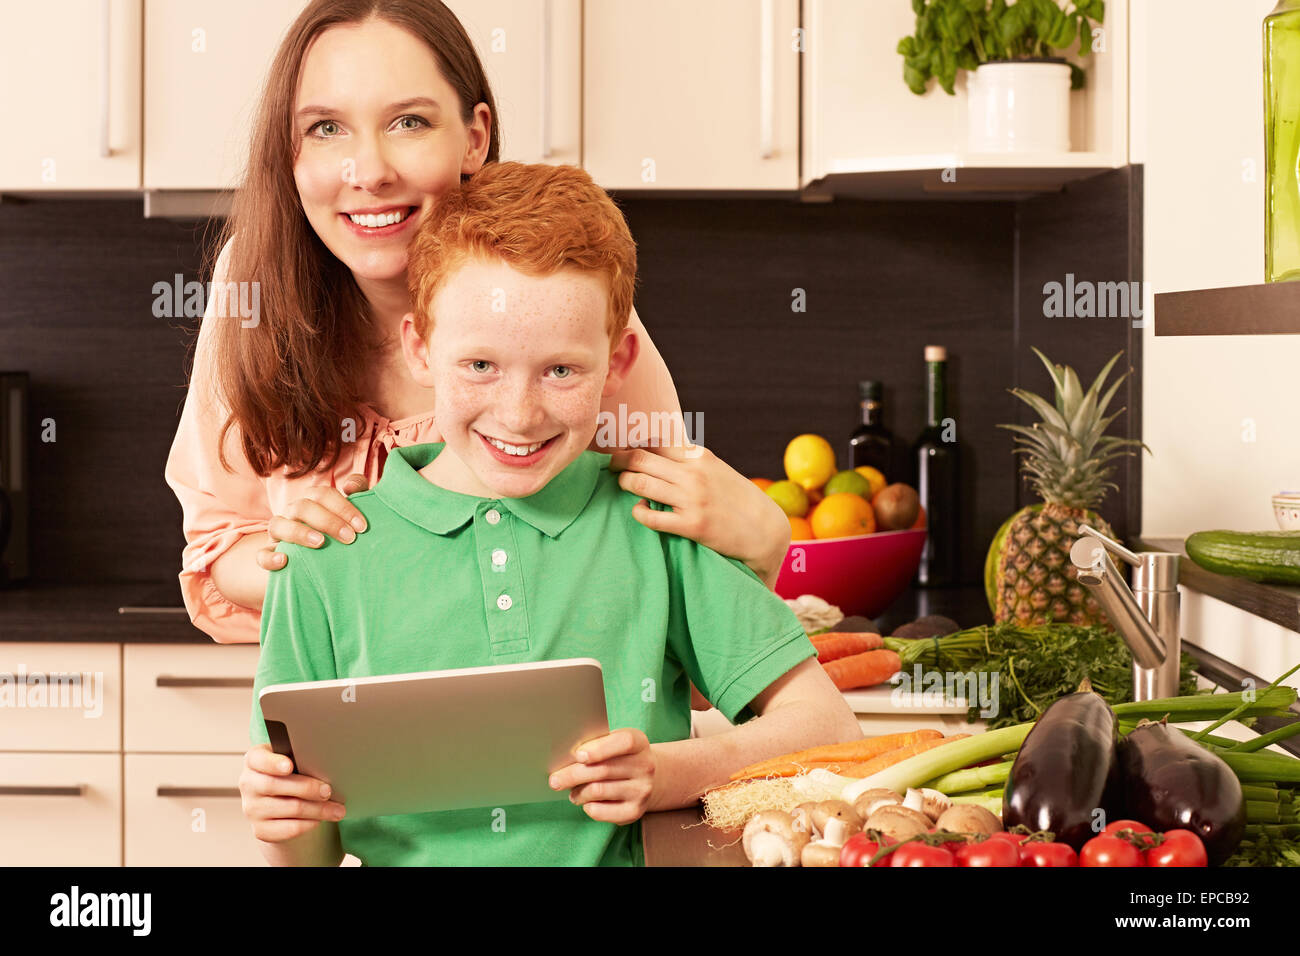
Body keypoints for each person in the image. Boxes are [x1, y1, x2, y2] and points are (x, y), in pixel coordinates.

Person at [239, 161, 862, 866]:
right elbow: (307, 855)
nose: (519, 413)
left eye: (561, 371)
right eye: (480, 366)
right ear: (420, 349)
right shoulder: (324, 557)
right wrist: (282, 820)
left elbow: (829, 728)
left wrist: (668, 772)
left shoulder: (656, 527)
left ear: (617, 361)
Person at [163, 0, 791, 661]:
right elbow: (219, 544)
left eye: (408, 122)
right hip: (350, 739)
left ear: (474, 137)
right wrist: (300, 554)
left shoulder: (558, 292)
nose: (368, 171)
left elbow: (677, 587)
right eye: (326, 128)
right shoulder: (254, 282)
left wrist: (765, 541)